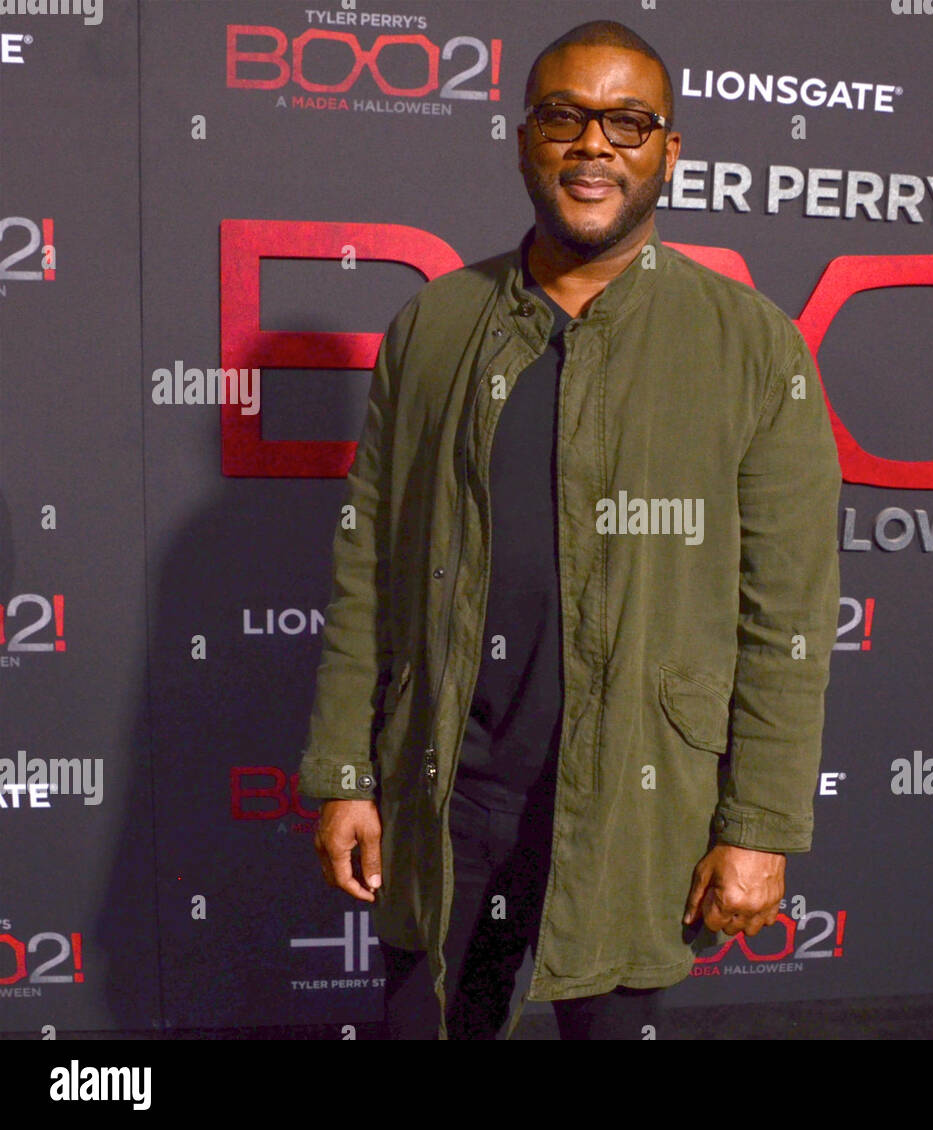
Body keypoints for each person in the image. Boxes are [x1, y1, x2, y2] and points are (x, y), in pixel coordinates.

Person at [297, 19, 842, 1040]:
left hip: (643, 801)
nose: (595, 145)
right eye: (566, 117)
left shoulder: (752, 343)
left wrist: (761, 826)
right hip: (446, 785)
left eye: (628, 122)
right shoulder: (437, 323)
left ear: (669, 151)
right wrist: (340, 771)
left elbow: (789, 615)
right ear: (523, 138)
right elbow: (367, 562)